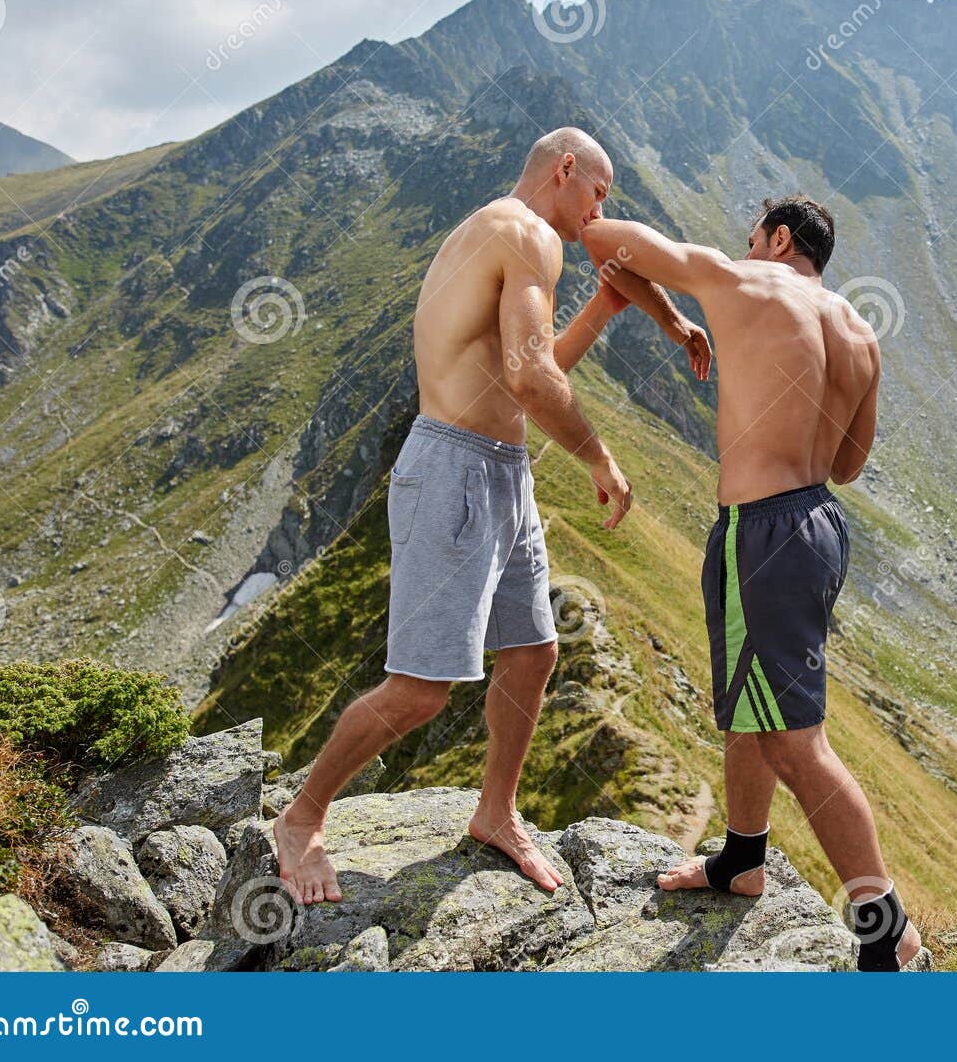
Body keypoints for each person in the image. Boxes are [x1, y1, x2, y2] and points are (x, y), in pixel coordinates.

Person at [274, 127, 711, 904]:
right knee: (421, 691)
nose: (599, 212)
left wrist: (662, 321)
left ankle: (495, 811)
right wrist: (599, 457)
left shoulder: (514, 237)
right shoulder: (523, 233)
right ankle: (302, 818)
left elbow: (521, 376)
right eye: (599, 192)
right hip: (454, 470)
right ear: (565, 169)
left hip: (501, 471)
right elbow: (532, 376)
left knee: (534, 653)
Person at [580, 196, 922, 971]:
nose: (745, 249)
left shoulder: (744, 281)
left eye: (752, 238)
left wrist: (586, 197)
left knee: (796, 743)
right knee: (750, 700)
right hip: (818, 522)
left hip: (760, 533)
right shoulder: (860, 334)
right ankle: (743, 857)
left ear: (776, 240)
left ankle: (888, 928)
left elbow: (610, 243)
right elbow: (847, 465)